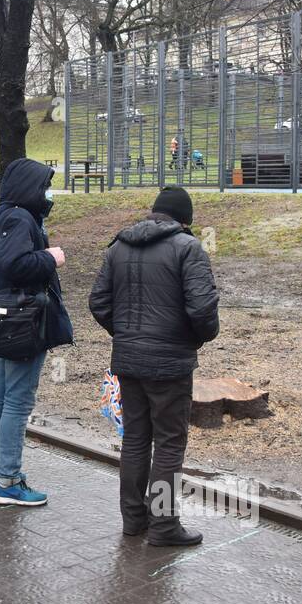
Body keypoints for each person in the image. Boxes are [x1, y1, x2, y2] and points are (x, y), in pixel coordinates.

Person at [89, 185, 220, 546]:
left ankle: (133, 520)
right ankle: (163, 526)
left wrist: (126, 334)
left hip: (129, 361)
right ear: (185, 220)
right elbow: (203, 310)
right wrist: (192, 339)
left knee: (135, 439)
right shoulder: (189, 248)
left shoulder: (119, 246)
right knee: (168, 443)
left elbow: (98, 302)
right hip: (169, 365)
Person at [0, 159, 72, 506]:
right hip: (23, 323)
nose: (47, 193)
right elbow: (12, 263)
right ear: (30, 187)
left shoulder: (5, 213)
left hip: (7, 321)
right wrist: (50, 257)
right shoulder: (19, 218)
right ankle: (8, 482)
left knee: (0, 394)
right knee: (17, 400)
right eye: (43, 186)